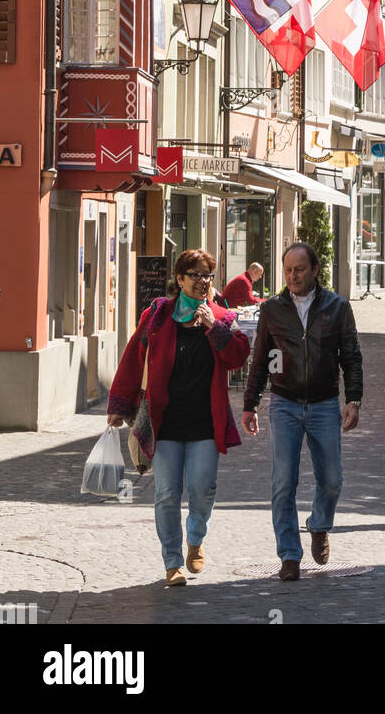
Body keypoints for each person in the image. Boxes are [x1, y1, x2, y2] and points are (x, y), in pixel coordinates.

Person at [107, 250, 251, 588]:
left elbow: (237, 357)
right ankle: (172, 562)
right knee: (167, 494)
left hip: (204, 422)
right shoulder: (158, 315)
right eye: (196, 275)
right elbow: (133, 355)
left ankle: (196, 539)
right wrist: (120, 402)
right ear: (180, 279)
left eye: (208, 276)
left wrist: (213, 327)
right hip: (165, 423)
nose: (204, 282)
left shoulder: (221, 316)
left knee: (203, 489)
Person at [242, 242, 363, 582]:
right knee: (283, 481)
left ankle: (320, 525)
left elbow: (351, 357)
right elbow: (261, 359)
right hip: (284, 403)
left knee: (332, 479)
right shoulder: (272, 309)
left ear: (315, 271)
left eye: (299, 270)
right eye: (288, 270)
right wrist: (251, 402)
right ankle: (289, 555)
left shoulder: (337, 307)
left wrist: (353, 399)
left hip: (325, 403)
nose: (293, 276)